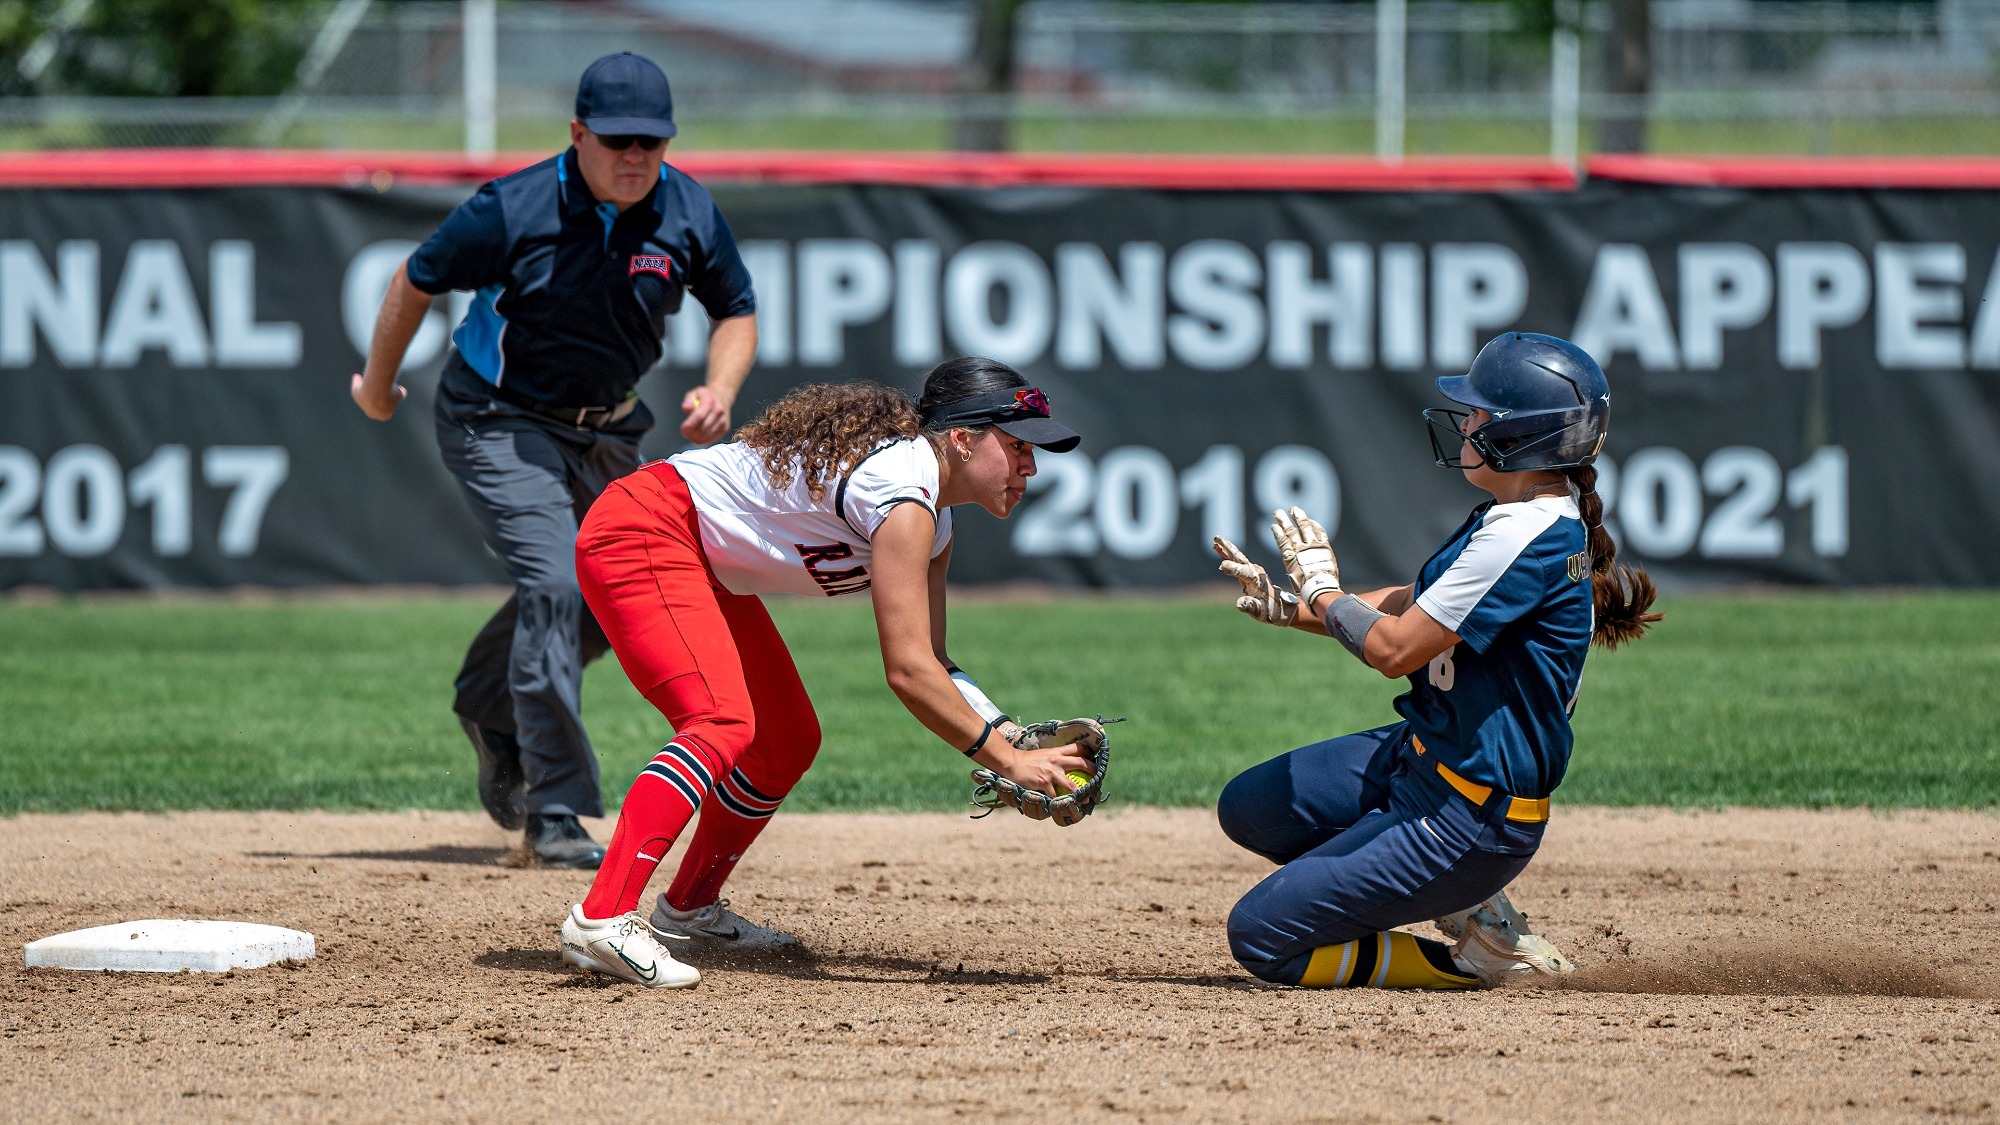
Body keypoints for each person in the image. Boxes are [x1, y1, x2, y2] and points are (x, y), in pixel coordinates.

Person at [556, 357, 1094, 989]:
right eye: (1017, 444)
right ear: (961, 438)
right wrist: (1004, 761)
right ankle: (603, 918)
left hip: (700, 558)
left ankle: (688, 911)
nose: (1031, 464)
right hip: (644, 529)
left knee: (785, 740)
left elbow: (935, 659)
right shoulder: (904, 494)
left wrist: (1010, 735)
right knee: (720, 720)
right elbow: (908, 672)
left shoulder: (935, 520)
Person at [349, 52, 758, 868]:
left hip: (609, 428)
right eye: (617, 140)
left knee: (615, 595)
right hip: (497, 417)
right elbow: (414, 277)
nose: (635, 156)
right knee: (557, 583)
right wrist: (378, 384)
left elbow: (736, 308)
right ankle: (556, 808)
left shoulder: (687, 210)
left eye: (652, 140)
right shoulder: (515, 206)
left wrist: (721, 385)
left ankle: (488, 705)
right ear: (578, 134)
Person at [1209, 332, 1660, 990]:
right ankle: (1473, 910)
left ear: (1519, 435)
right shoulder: (1523, 515)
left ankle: (1474, 963)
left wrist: (1323, 588)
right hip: (1424, 761)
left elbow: (1394, 649)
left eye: (1480, 413)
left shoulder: (1523, 533)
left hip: (1468, 818)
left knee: (1262, 936)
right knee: (1252, 806)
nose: (1467, 423)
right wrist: (1296, 606)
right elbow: (1412, 605)